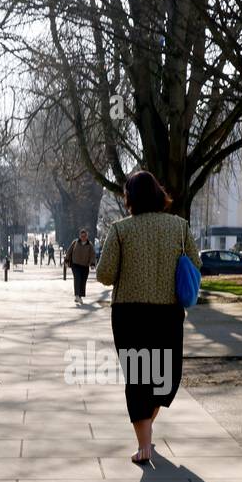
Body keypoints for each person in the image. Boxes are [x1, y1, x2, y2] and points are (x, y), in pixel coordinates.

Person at [95, 171, 200, 465]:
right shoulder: (179, 227)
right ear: (158, 193)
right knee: (166, 376)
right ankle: (145, 442)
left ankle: (144, 438)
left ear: (129, 198)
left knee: (139, 375)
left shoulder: (120, 230)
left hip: (129, 313)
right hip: (167, 312)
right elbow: (196, 262)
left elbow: (104, 274)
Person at [64, 228, 96, 305]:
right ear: (80, 236)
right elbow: (69, 251)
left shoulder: (90, 245)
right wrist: (66, 260)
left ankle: (80, 296)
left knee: (83, 281)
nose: (83, 237)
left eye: (85, 236)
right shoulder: (75, 242)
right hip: (76, 265)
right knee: (77, 278)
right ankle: (77, 295)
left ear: (87, 236)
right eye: (82, 236)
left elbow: (92, 255)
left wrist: (92, 264)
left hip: (85, 266)